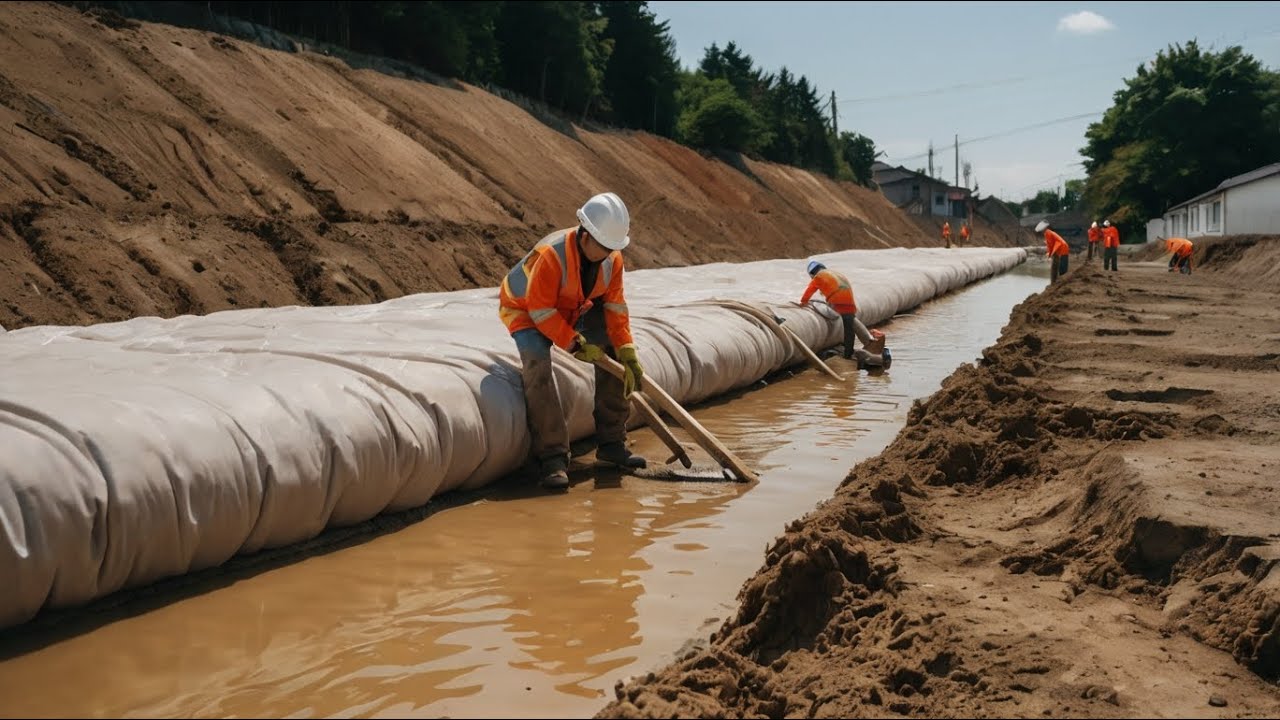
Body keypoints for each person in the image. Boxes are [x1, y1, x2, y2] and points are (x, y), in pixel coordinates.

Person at [498, 192, 648, 491]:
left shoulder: (612, 258)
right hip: (526, 310)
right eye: (603, 246)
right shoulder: (553, 255)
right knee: (537, 367)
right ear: (585, 234)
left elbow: (615, 308)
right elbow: (540, 311)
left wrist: (626, 349)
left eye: (612, 248)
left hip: (575, 307)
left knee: (613, 353)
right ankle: (553, 459)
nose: (607, 253)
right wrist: (575, 344)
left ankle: (611, 446)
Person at [800, 260, 891, 370]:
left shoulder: (818, 277)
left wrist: (803, 302)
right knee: (851, 321)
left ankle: (849, 353)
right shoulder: (836, 274)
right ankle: (869, 342)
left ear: (812, 273)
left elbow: (809, 291)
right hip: (849, 301)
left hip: (838, 301)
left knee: (849, 329)